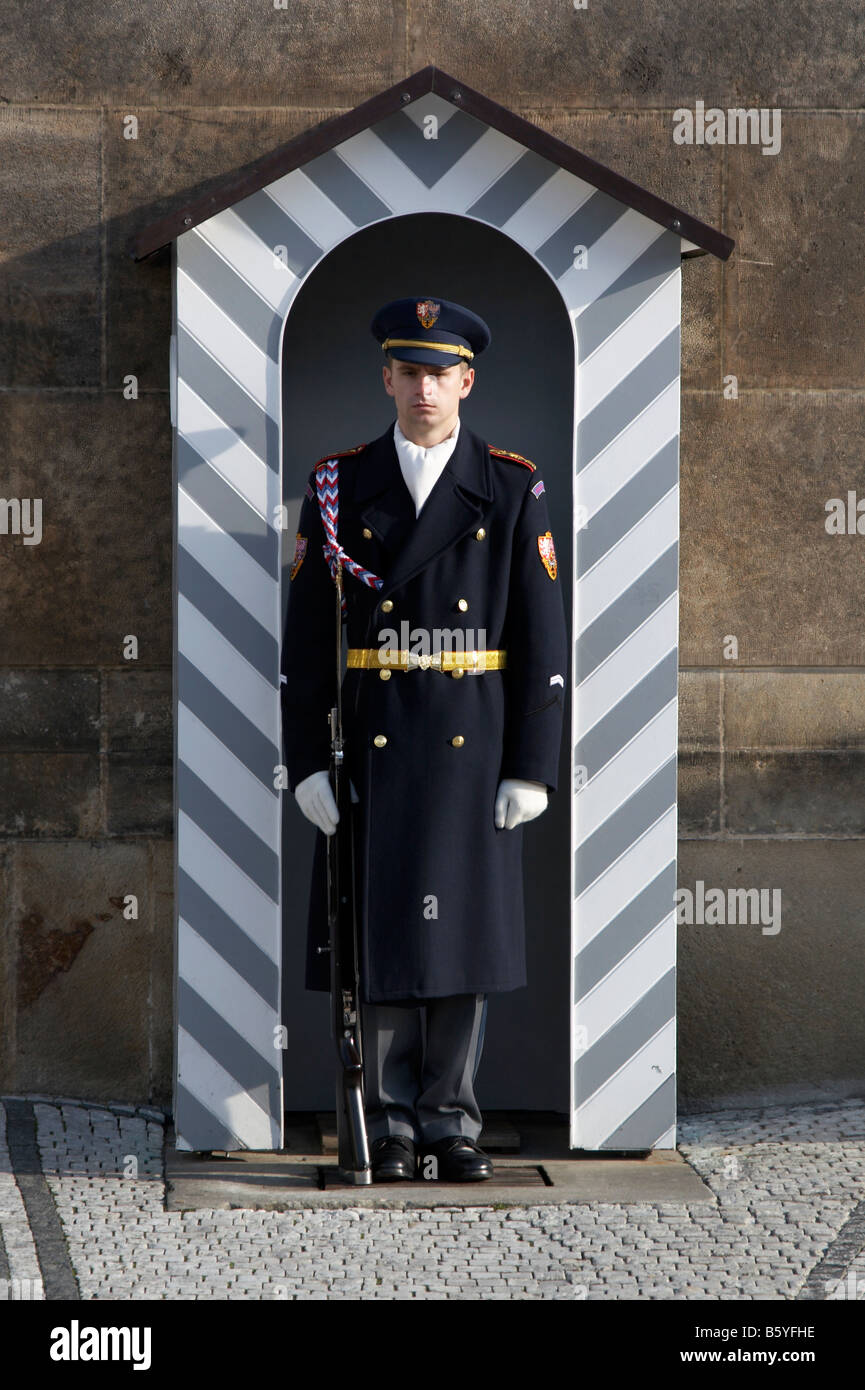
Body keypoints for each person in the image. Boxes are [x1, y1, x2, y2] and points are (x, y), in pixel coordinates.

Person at [280, 296, 567, 1182]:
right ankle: (390, 1124)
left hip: (470, 748)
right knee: (380, 939)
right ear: (387, 379)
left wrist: (531, 765)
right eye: (408, 371)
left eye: (440, 373)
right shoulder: (337, 484)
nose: (424, 388)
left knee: (461, 942)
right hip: (371, 745)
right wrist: (304, 765)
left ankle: (451, 1122)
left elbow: (541, 640)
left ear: (466, 382)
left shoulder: (511, 486)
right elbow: (306, 642)